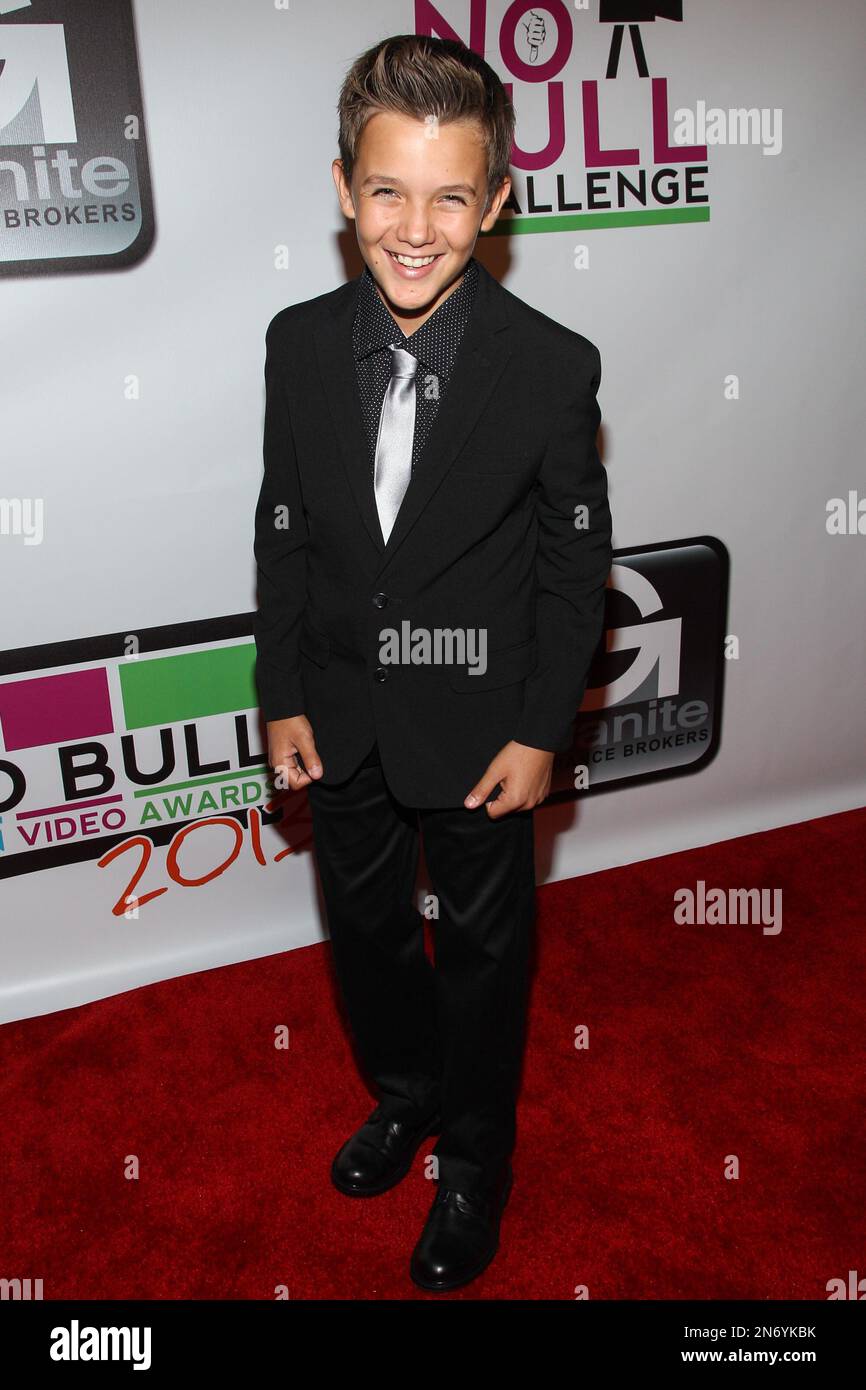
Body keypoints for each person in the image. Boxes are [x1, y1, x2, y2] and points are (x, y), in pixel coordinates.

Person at [253, 33, 613, 1293]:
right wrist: (282, 692)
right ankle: (403, 1094)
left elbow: (576, 567)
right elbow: (284, 525)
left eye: (450, 195)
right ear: (344, 190)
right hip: (342, 712)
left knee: (483, 951)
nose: (416, 228)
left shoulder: (551, 366)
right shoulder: (296, 343)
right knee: (362, 935)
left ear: (496, 203)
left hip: (480, 731)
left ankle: (474, 1160)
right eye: (388, 191)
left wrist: (539, 728)